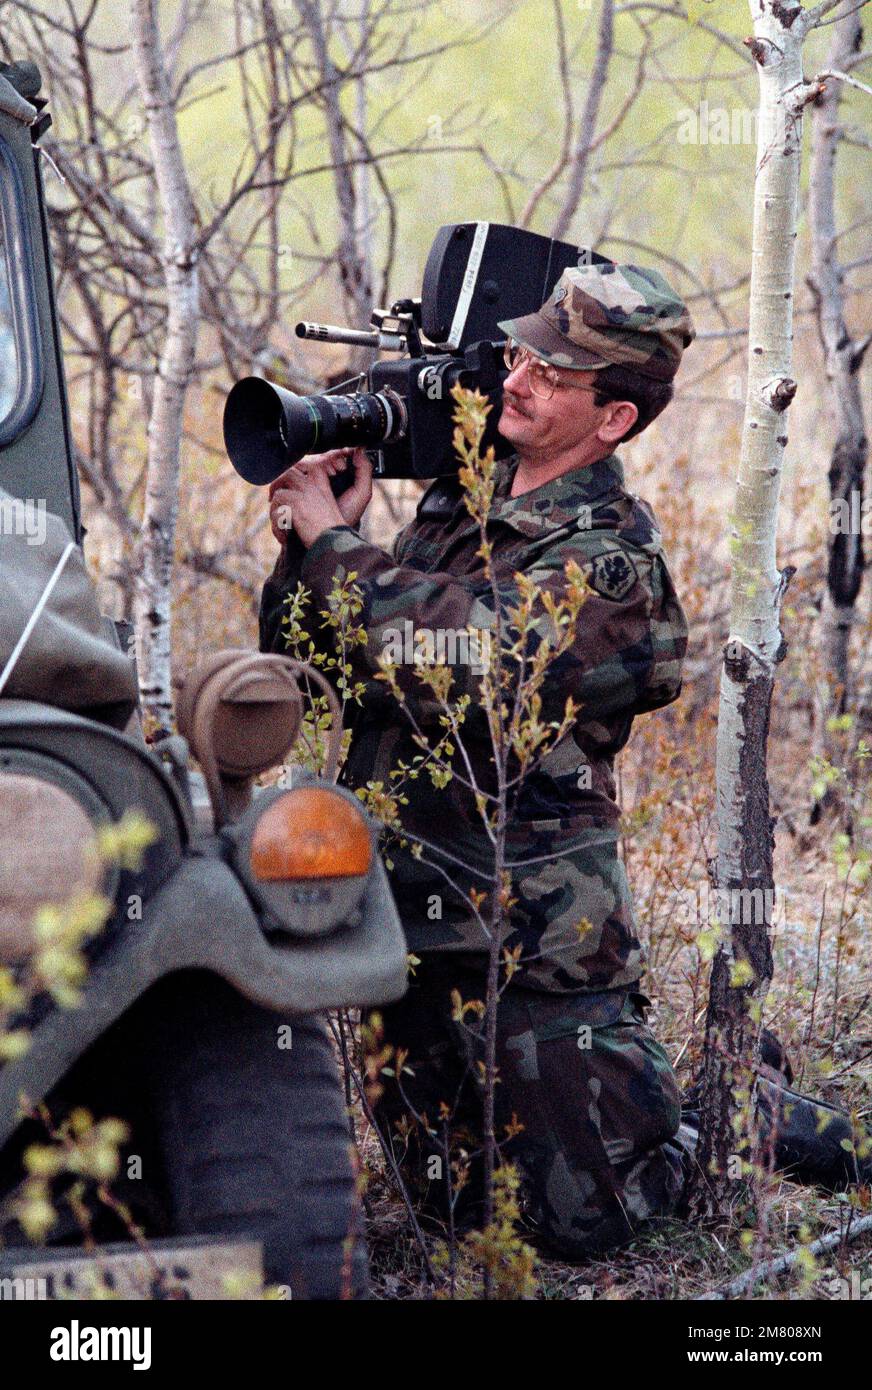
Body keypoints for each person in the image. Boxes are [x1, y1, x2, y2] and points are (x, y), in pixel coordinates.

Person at [259, 262, 867, 1259]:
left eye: (552, 372)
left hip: (531, 945)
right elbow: (322, 666)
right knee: (448, 1213)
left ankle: (742, 1104)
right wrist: (311, 544)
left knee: (594, 1222)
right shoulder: (455, 512)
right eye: (520, 356)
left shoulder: (609, 562)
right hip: (407, 918)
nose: (517, 378)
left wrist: (339, 552)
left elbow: (463, 669)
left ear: (613, 418)